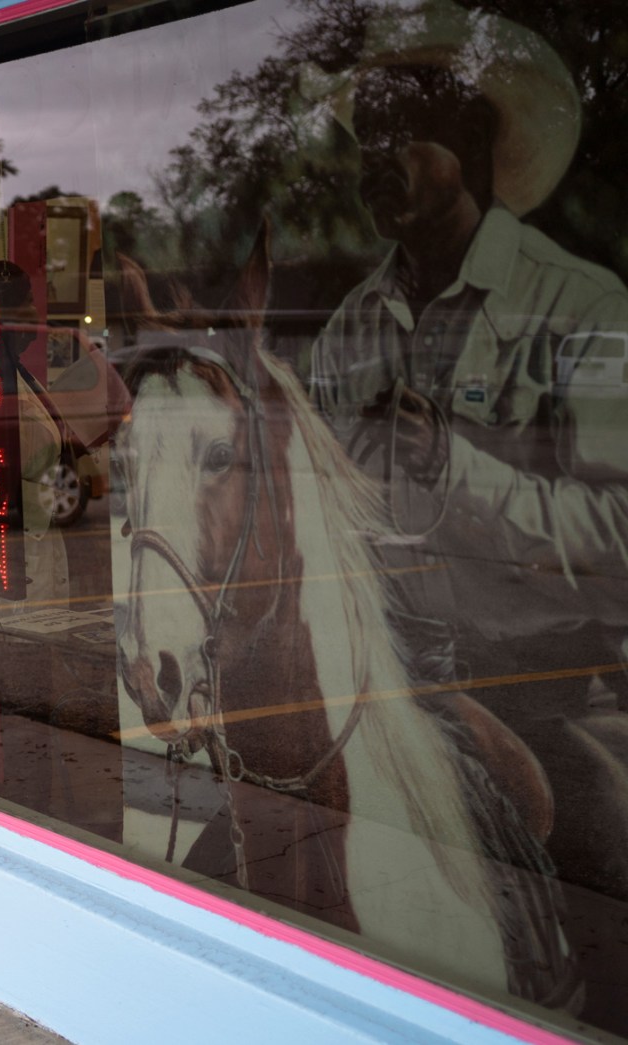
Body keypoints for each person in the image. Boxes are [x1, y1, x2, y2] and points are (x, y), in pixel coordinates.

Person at [307, 9, 628, 1017]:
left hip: (546, 693)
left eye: (401, 137)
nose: (375, 163)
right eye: (364, 143)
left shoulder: (580, 307)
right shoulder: (348, 327)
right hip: (385, 690)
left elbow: (617, 532)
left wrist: (457, 474)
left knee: (601, 891)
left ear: (474, 149)